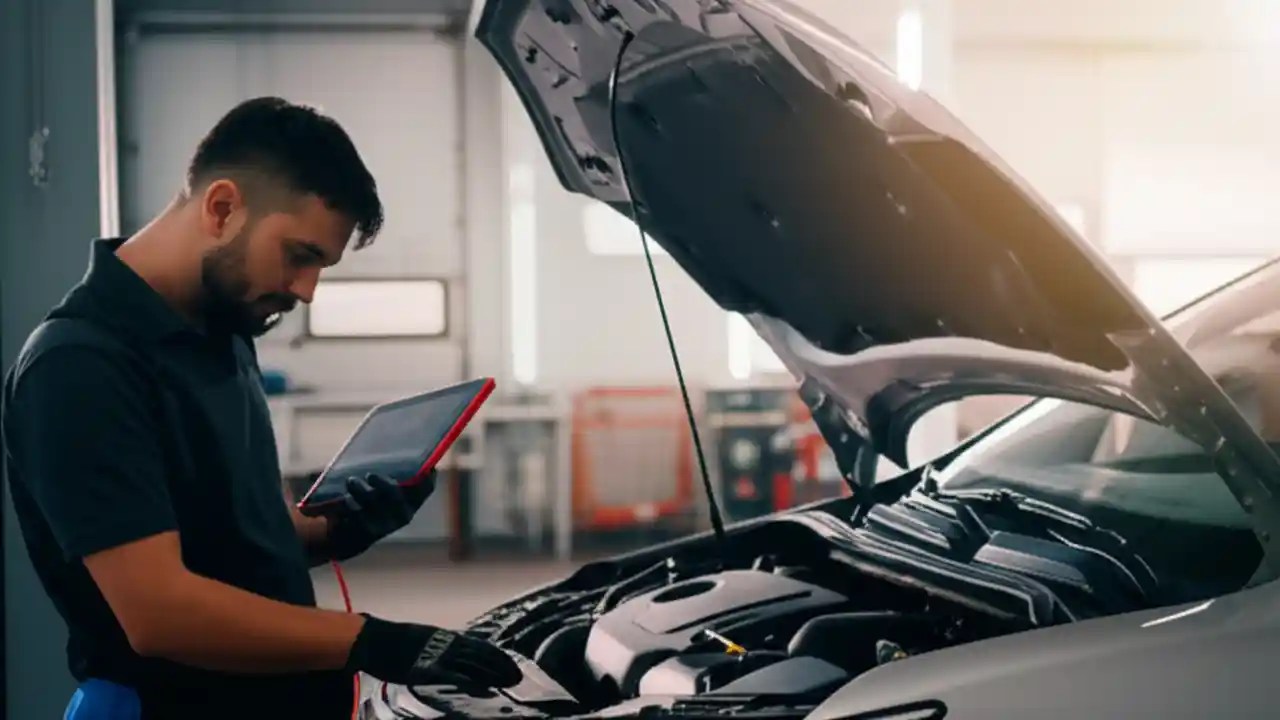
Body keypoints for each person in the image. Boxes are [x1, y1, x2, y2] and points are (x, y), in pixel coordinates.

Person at [1, 97, 521, 719]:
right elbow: (158, 612)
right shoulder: (80, 364)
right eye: (300, 255)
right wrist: (373, 640)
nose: (306, 290)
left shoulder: (225, 332)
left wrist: (342, 531)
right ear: (222, 208)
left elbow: (231, 542)